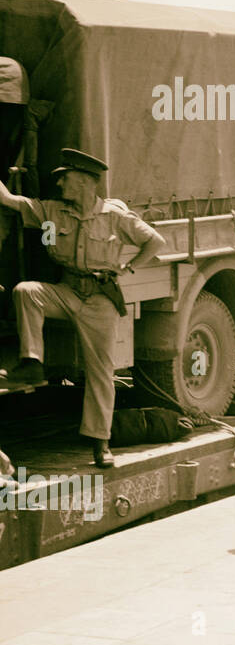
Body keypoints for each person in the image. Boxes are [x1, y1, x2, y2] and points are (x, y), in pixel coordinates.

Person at [0, 149, 166, 468]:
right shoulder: (55, 211)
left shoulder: (114, 215)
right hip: (67, 291)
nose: (60, 183)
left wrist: (127, 269)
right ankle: (31, 361)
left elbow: (155, 242)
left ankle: (100, 443)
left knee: (101, 372)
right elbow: (13, 202)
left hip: (100, 298)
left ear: (85, 183)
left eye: (66, 178)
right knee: (26, 292)